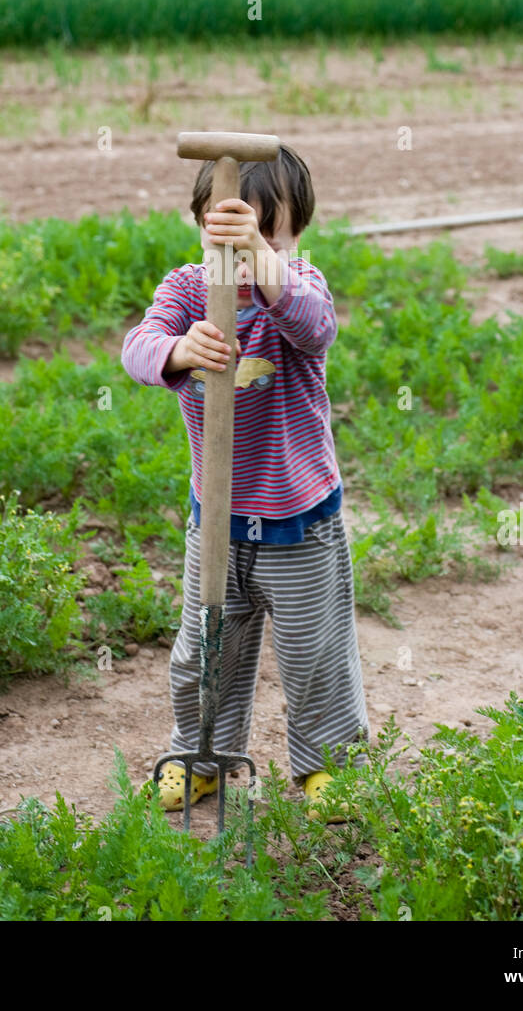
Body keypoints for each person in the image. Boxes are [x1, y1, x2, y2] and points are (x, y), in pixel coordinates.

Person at [120, 143, 370, 821]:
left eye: (262, 234)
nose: (232, 251)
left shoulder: (299, 287)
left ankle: (328, 767)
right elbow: (135, 349)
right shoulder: (184, 291)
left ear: (292, 236)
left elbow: (316, 328)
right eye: (219, 234)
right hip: (217, 526)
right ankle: (200, 760)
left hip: (299, 525)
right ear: (198, 223)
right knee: (205, 652)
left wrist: (259, 260)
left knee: (312, 654)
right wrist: (175, 349)